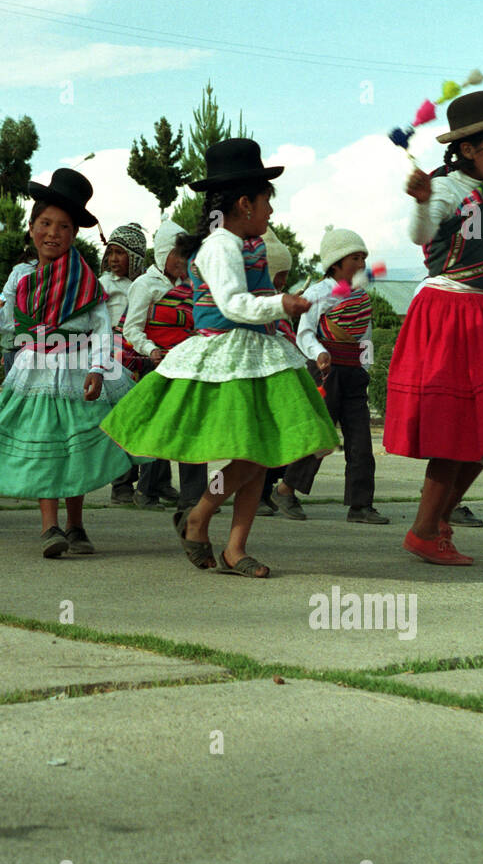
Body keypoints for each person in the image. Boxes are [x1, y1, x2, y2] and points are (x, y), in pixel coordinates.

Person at [101, 139, 338, 576]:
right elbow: (231, 303)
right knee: (250, 452)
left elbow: (260, 297)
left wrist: (286, 316)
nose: (271, 212)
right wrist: (280, 305)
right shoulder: (220, 246)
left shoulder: (251, 246)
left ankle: (236, 547)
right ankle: (200, 514)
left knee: (262, 453)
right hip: (228, 353)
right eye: (267, 202)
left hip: (260, 353)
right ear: (245, 203)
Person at [0, 168, 133, 558]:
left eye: (63, 226)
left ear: (73, 234)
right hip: (34, 371)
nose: (53, 233)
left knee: (75, 449)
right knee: (46, 444)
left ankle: (76, 524)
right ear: (31, 228)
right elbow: (5, 321)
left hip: (78, 371)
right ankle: (50, 527)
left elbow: (101, 328)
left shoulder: (85, 279)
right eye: (45, 223)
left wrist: (98, 368)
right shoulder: (21, 276)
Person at [383, 90, 483, 565]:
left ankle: (436, 522)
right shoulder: (447, 187)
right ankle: (426, 528)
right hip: (453, 312)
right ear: (468, 149)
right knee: (458, 429)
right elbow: (422, 234)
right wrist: (422, 203)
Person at [273, 226, 388, 525]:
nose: (362, 264)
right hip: (325, 372)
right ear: (335, 263)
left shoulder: (360, 295)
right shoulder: (318, 294)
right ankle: (286, 489)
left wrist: (365, 368)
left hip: (353, 374)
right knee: (321, 435)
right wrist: (319, 353)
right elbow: (305, 333)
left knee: (360, 440)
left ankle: (361, 505)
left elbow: (365, 336)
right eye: (355, 258)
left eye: (364, 258)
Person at [120, 219, 190, 509]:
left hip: (183, 363)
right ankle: (144, 491)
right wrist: (152, 349)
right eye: (178, 254)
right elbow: (131, 329)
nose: (183, 261)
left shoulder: (187, 285)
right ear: (162, 254)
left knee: (176, 426)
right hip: (154, 363)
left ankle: (162, 484)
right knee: (156, 427)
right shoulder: (145, 285)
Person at [99, 222, 148, 505]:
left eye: (120, 253)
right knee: (123, 421)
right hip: (115, 360)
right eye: (111, 253)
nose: (114, 259)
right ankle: (121, 483)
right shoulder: (104, 284)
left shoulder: (145, 284)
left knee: (142, 421)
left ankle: (151, 481)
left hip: (143, 356)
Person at [256, 227, 295, 516]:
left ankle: (266, 488)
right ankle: (255, 494)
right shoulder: (261, 303)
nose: (283, 281)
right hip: (261, 379)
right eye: (280, 274)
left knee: (280, 441)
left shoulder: (278, 302)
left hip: (278, 376)